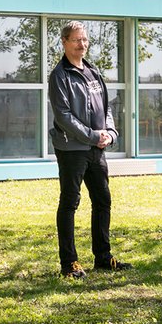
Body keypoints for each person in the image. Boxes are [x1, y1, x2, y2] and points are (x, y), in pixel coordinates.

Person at [48, 21, 132, 278]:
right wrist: (94, 136)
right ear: (64, 42)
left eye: (84, 39)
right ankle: (69, 263)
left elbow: (106, 108)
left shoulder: (93, 72)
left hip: (96, 149)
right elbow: (63, 116)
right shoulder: (60, 75)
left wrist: (111, 133)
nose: (81, 44)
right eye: (76, 40)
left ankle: (103, 258)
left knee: (103, 200)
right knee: (70, 203)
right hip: (72, 150)